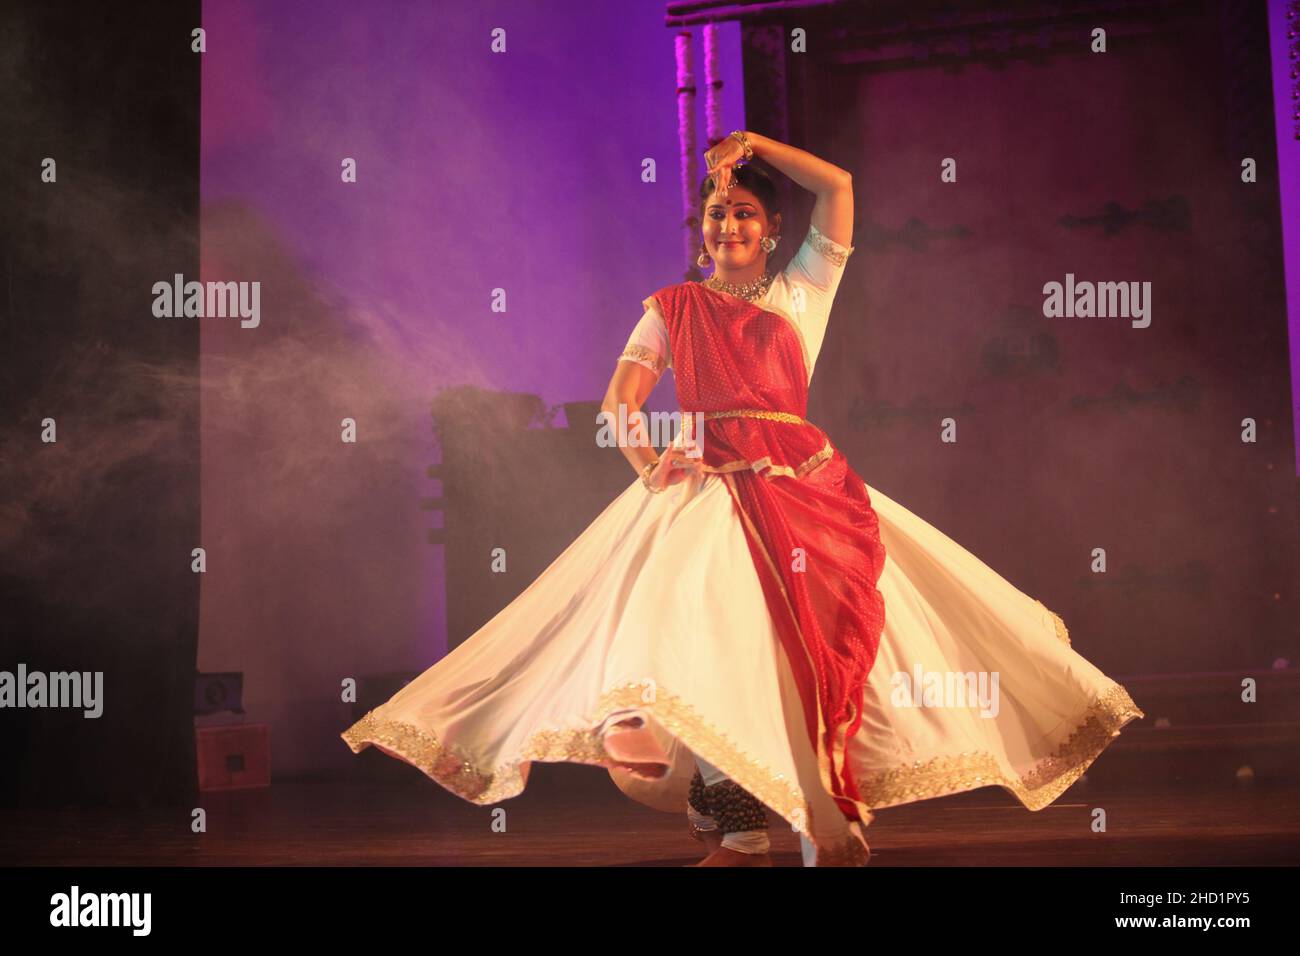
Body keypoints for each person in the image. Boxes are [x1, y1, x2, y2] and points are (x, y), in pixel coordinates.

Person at [341, 130, 1145, 868]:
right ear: (701, 231)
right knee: (697, 648)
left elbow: (838, 188)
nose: (727, 224)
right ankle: (738, 828)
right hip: (704, 493)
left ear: (770, 230)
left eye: (745, 213)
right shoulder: (672, 307)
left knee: (819, 653)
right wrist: (646, 461)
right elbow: (623, 394)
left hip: (801, 491)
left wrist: (755, 142)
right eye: (717, 213)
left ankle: (815, 813)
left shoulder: (804, 291)